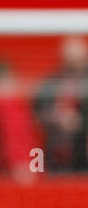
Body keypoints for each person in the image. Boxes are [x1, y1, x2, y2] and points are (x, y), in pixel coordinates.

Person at [33, 36, 88, 172]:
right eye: (68, 62)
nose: (73, 66)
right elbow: (36, 110)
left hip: (82, 152)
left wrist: (79, 122)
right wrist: (55, 118)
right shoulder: (52, 82)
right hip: (55, 152)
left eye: (77, 61)